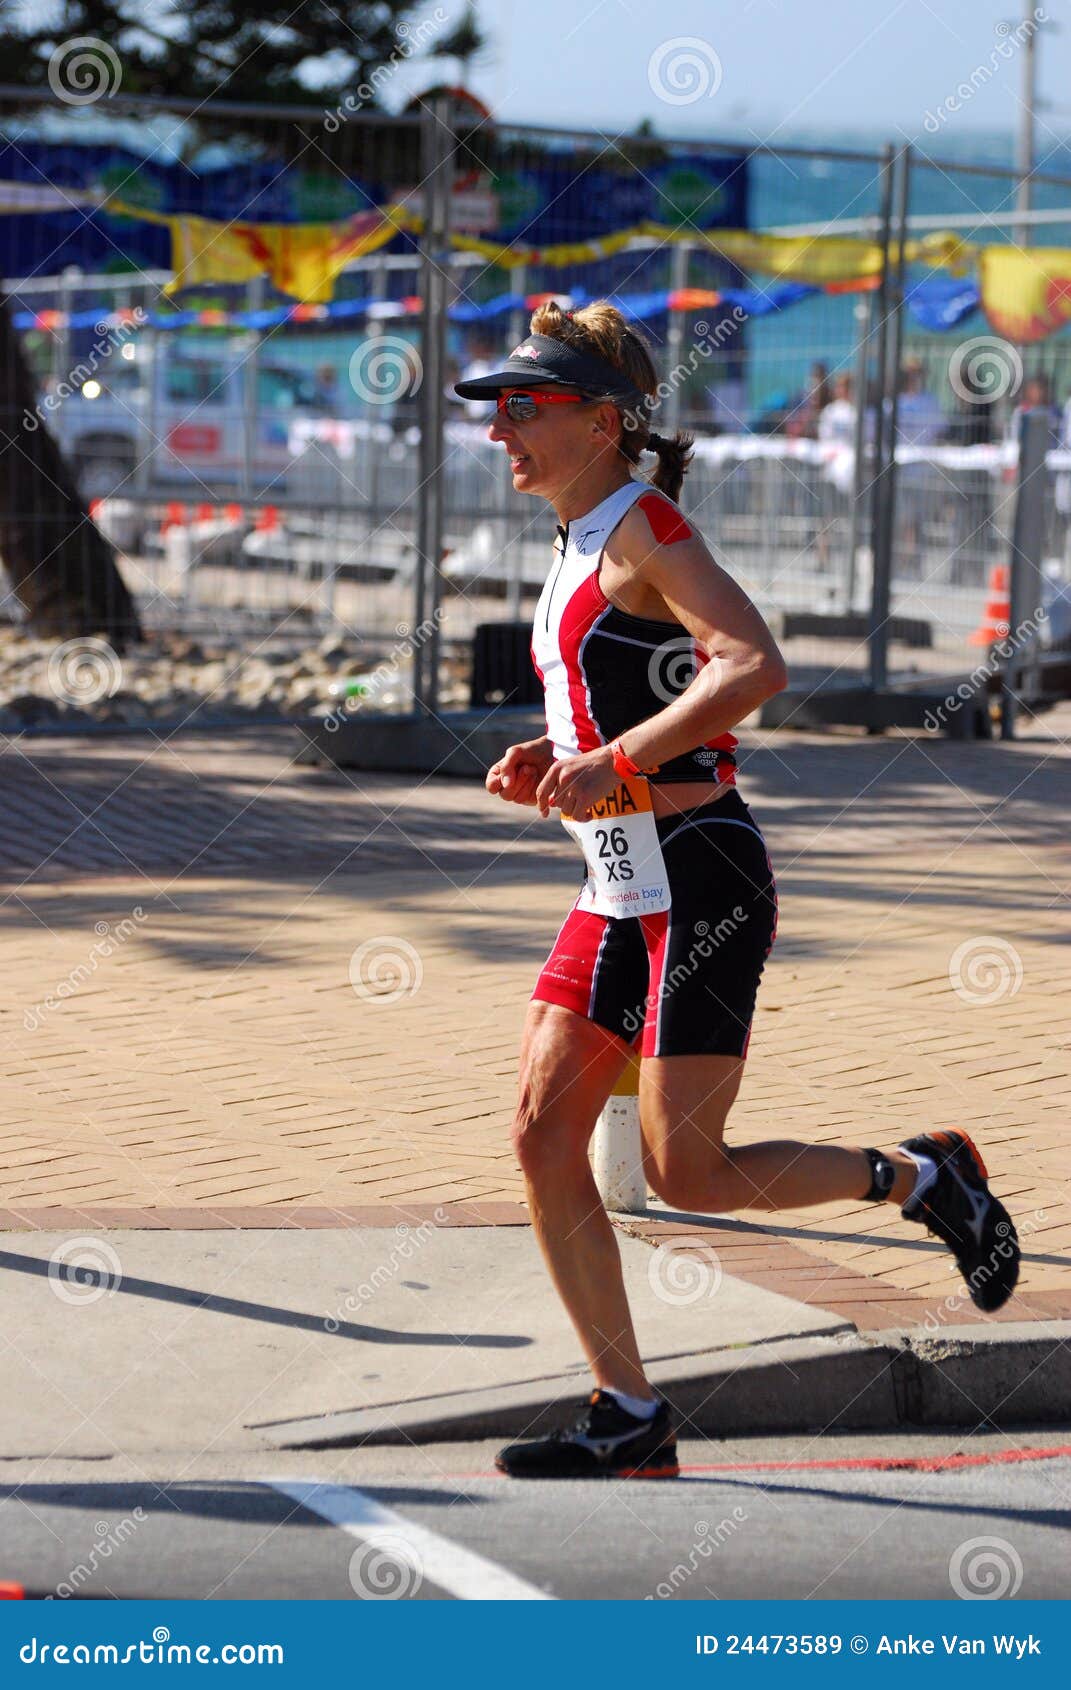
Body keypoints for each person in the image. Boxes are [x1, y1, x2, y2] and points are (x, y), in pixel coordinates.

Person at [454, 302, 1021, 1482]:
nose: (501, 428)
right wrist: (546, 763)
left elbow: (753, 662)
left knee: (688, 1172)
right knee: (539, 1134)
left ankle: (923, 1176)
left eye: (525, 408)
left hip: (700, 879)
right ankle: (627, 1412)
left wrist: (613, 765)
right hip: (615, 884)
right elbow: (617, 701)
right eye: (496, 408)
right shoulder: (573, 535)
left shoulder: (646, 530)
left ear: (604, 422)